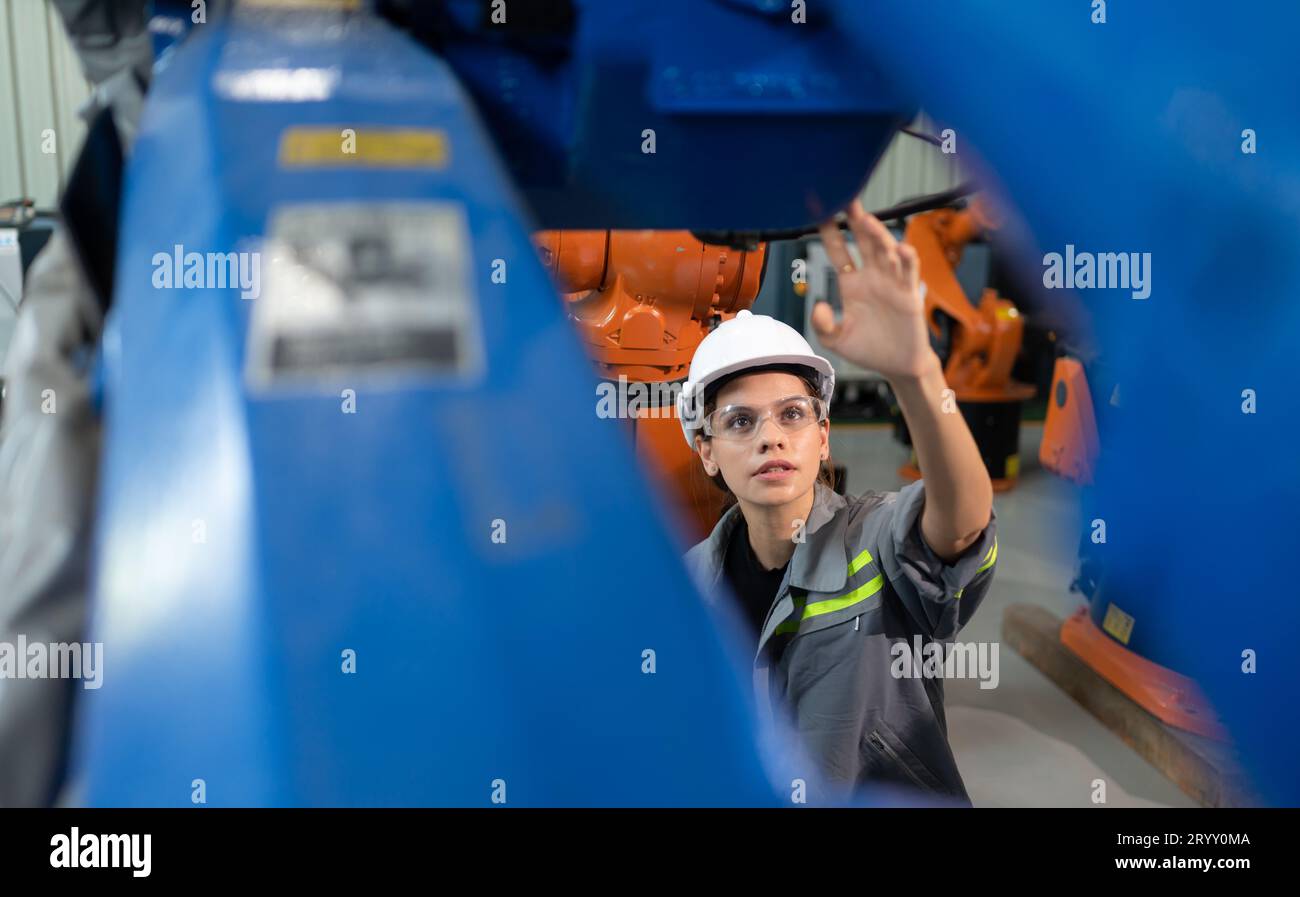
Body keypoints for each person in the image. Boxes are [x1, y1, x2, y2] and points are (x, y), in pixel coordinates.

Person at [679, 200, 998, 804]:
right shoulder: (691, 582)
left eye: (792, 415)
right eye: (740, 421)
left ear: (822, 438)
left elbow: (961, 521)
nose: (771, 436)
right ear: (708, 452)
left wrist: (916, 373)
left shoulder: (877, 541)